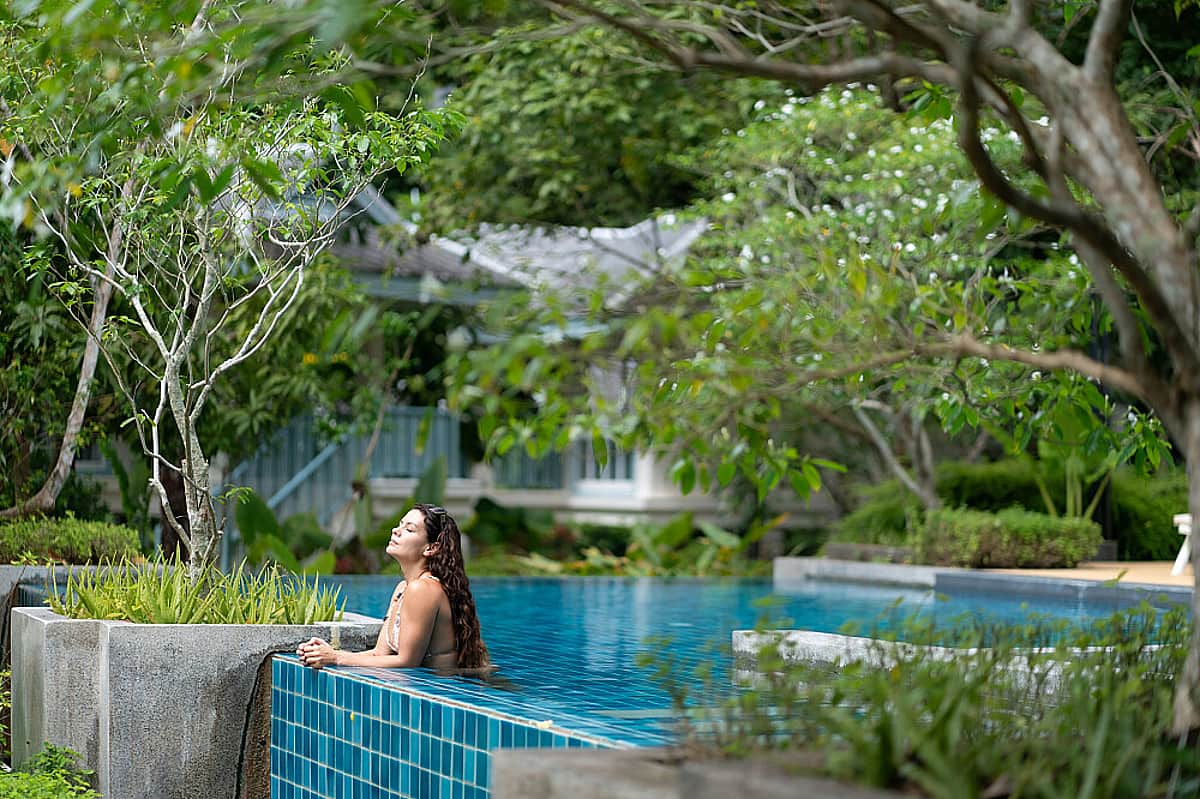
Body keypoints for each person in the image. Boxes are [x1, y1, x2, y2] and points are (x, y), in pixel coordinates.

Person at [297, 503, 489, 670]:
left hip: (447, 689)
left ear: (432, 548)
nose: (396, 531)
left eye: (409, 529)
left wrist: (337, 658)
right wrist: (328, 652)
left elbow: (406, 661)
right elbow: (380, 653)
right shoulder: (403, 588)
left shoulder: (422, 589)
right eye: (399, 525)